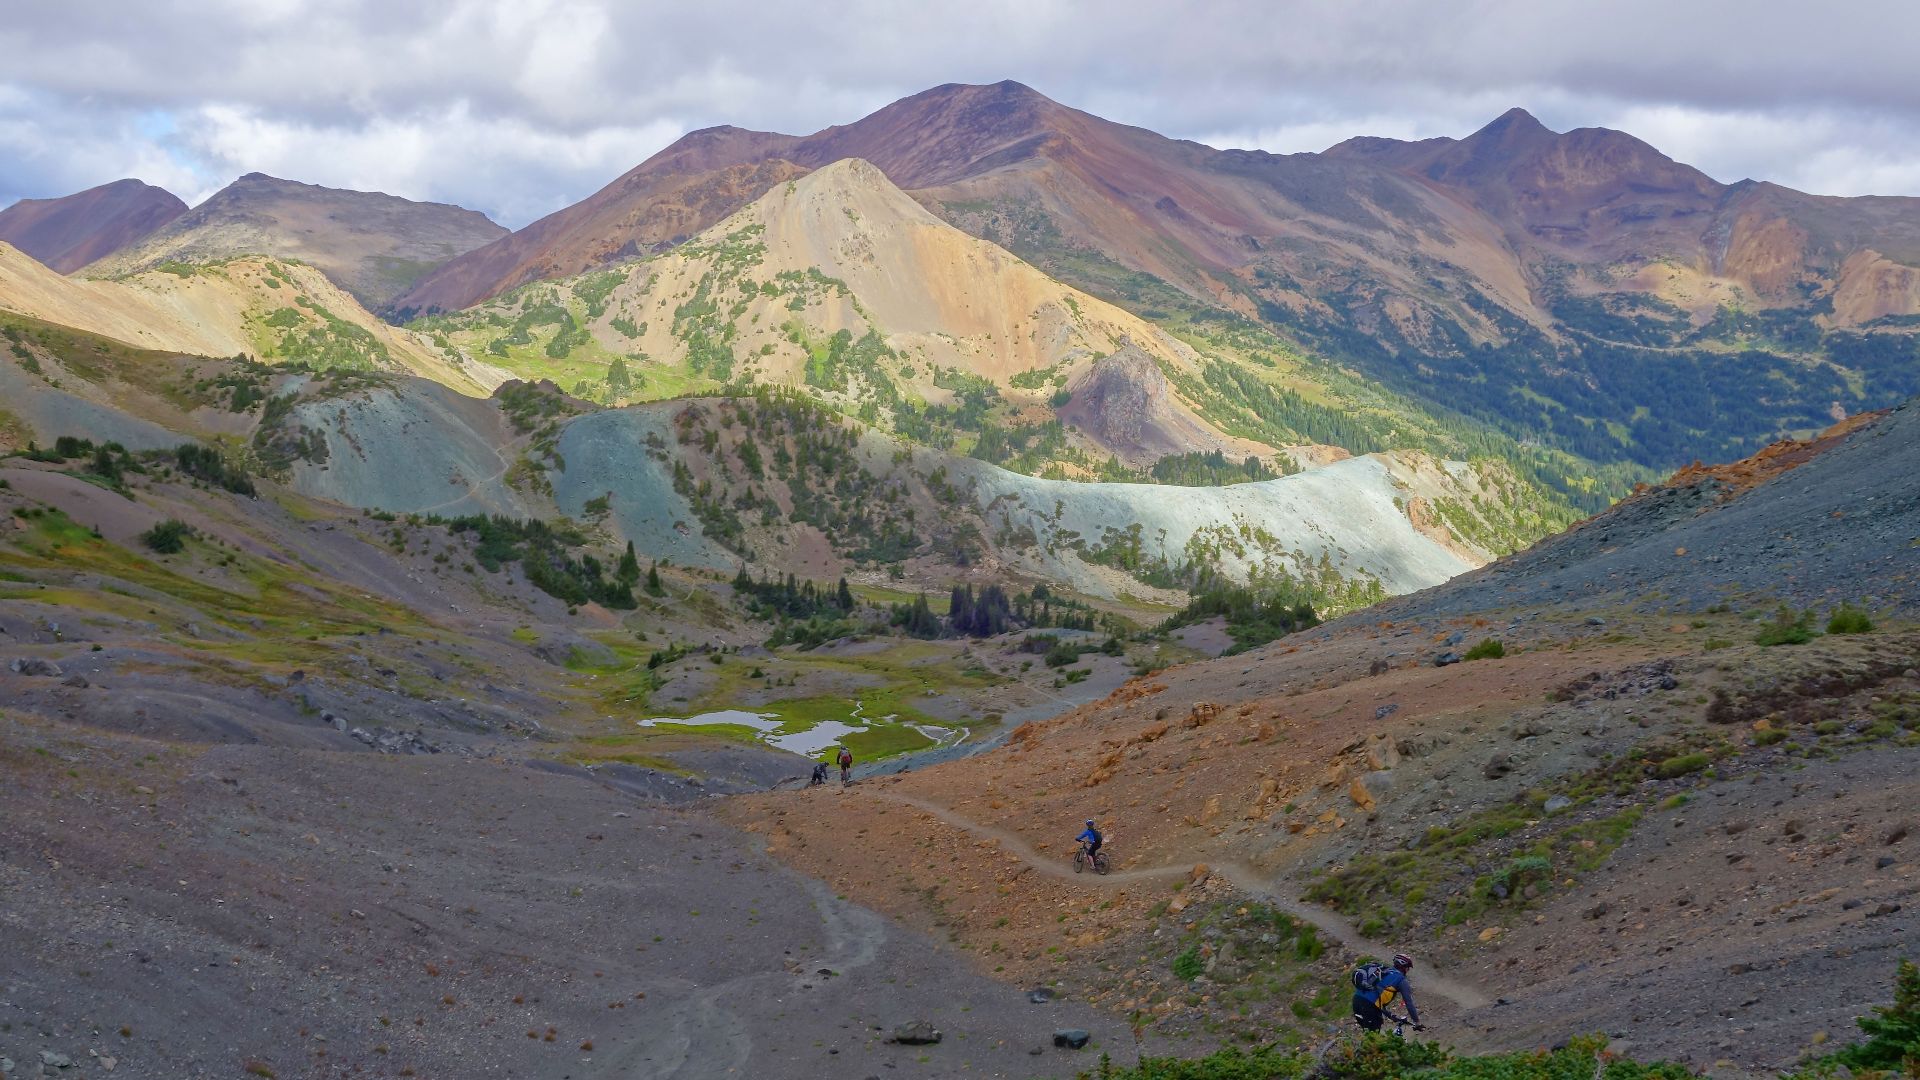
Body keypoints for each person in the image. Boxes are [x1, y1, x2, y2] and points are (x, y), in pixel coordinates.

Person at [1352, 953, 1423, 1033]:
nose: (1408, 970)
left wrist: (1390, 1015)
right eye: (1408, 967)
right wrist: (1417, 1022)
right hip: (1368, 1005)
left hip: (1356, 1000)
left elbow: (1378, 996)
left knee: (1370, 1033)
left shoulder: (1384, 971)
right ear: (1404, 967)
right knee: (1373, 1036)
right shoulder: (1401, 980)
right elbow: (1409, 1003)